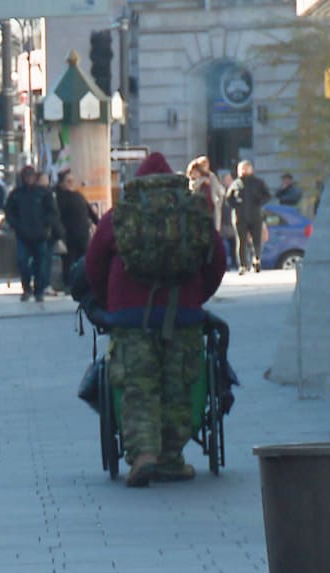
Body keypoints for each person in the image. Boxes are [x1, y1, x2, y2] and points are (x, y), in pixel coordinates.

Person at [84, 152, 226, 487]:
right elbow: (217, 260)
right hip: (185, 313)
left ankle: (144, 455)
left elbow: (94, 263)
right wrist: (197, 297)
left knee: (138, 386)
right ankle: (172, 458)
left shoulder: (121, 214)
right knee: (180, 386)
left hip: (130, 316)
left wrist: (110, 303)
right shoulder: (192, 212)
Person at [4, 165, 61, 302]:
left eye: (31, 176)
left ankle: (39, 291)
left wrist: (46, 225)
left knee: (41, 264)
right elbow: (9, 212)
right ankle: (26, 288)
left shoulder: (43, 193)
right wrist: (16, 225)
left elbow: (52, 211)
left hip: (40, 235)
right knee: (22, 262)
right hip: (23, 235)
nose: (29, 179)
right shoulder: (16, 194)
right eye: (27, 176)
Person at [225, 160, 272, 274]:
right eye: (241, 169)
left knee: (257, 240)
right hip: (240, 217)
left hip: (255, 216)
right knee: (241, 241)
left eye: (246, 168)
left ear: (251, 169)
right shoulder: (236, 184)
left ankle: (257, 260)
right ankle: (243, 265)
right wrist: (236, 204)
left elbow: (268, 196)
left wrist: (259, 201)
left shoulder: (258, 182)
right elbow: (228, 199)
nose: (243, 171)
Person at [54, 168, 97, 273]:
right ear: (61, 183)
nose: (71, 184)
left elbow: (90, 212)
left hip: (83, 235)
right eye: (68, 181)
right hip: (68, 237)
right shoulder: (57, 198)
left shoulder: (78, 196)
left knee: (84, 263)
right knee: (69, 265)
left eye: (72, 181)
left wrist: (99, 224)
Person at [218, 172, 238, 270]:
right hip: (222, 224)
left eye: (230, 179)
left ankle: (236, 263)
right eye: (227, 179)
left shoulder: (236, 191)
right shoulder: (220, 192)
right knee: (222, 247)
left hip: (233, 223)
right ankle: (224, 265)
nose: (229, 181)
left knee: (234, 245)